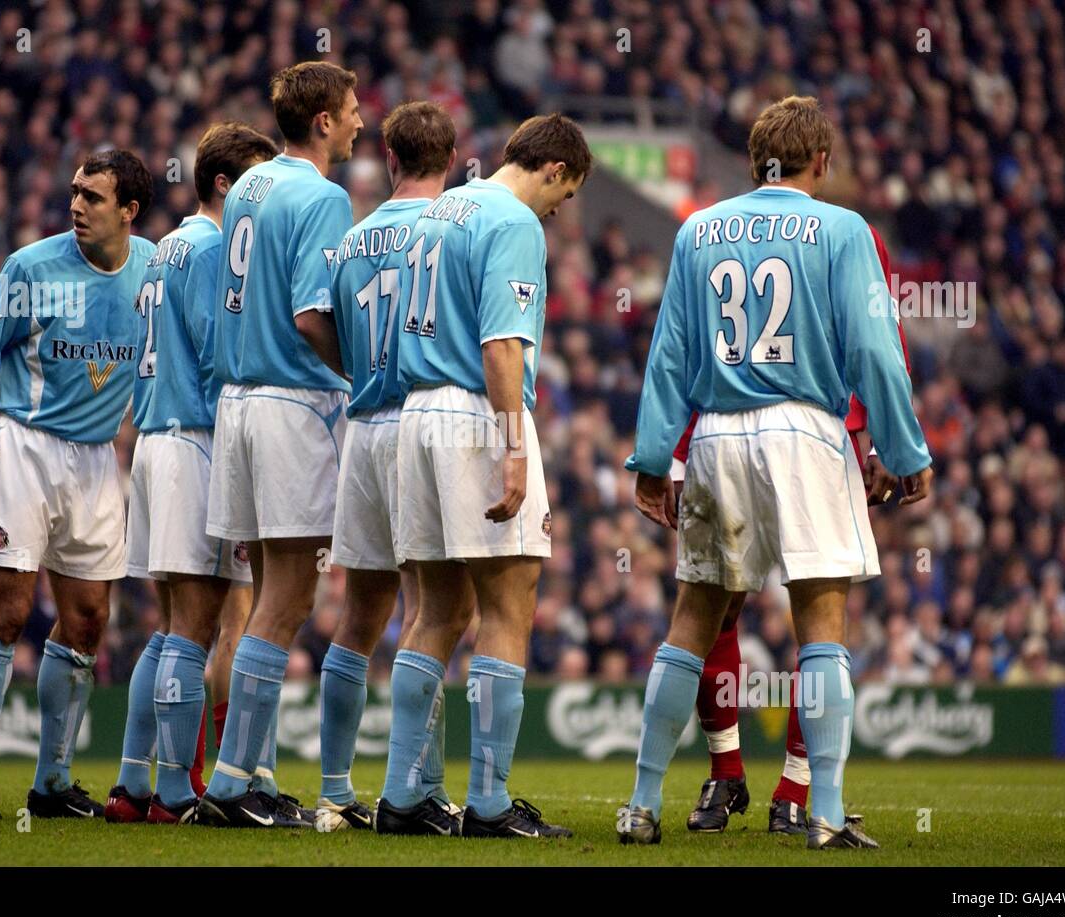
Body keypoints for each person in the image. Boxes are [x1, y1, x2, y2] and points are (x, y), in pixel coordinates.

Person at [616, 96, 932, 849]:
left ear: (757, 154)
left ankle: (640, 805)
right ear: (819, 161)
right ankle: (820, 813)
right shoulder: (843, 230)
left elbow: (669, 355)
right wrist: (905, 447)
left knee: (691, 621)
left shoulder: (699, 228)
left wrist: (654, 457)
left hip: (719, 435)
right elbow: (877, 351)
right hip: (805, 432)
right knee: (820, 623)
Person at [0, 149, 155, 820]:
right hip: (22, 444)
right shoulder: (31, 267)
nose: (77, 205)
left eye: (94, 197)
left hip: (94, 459)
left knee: (88, 620)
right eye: (75, 192)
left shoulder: (151, 273)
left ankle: (52, 782)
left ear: (130, 211)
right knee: (8, 612)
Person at [675, 224, 914, 837]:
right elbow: (685, 341)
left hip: (816, 430)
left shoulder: (842, 236)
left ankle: (794, 790)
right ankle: (728, 771)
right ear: (823, 160)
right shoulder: (726, 233)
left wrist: (878, 434)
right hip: (741, 431)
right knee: (720, 609)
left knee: (816, 614)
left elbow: (878, 337)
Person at [391, 113, 590, 838]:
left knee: (433, 613)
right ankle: (490, 804)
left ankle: (402, 797)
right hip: (476, 416)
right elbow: (503, 345)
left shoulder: (439, 208)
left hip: (414, 414)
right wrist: (513, 445)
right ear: (553, 170)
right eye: (563, 196)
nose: (558, 210)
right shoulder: (513, 221)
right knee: (509, 604)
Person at [196, 61, 362, 829]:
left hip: (235, 403)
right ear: (324, 120)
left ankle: (252, 768)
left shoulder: (249, 188)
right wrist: (364, 371)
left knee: (263, 593)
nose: (361, 122)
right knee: (289, 599)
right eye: (353, 110)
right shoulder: (322, 196)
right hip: (294, 403)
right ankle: (233, 783)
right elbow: (309, 315)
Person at [104, 123, 277, 825]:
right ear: (227, 187)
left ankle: (130, 783)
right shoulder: (211, 251)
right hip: (196, 440)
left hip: (153, 440)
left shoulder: (164, 247)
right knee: (192, 629)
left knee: (169, 626)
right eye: (257, 186)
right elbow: (215, 350)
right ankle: (175, 790)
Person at [318, 101, 474, 834]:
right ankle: (408, 790)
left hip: (364, 424)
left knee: (361, 615)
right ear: (451, 158)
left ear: (388, 155)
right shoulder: (449, 227)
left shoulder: (353, 239)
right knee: (435, 612)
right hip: (422, 421)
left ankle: (334, 791)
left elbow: (308, 319)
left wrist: (352, 365)